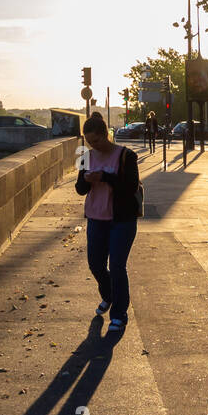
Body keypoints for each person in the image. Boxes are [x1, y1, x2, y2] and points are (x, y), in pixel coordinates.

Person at [75, 111, 140, 333]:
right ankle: (109, 294)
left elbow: (130, 187)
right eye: (89, 142)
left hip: (121, 219)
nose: (94, 145)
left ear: (106, 135)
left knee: (118, 266)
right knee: (95, 264)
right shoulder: (85, 156)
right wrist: (85, 180)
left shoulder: (126, 156)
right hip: (96, 218)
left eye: (97, 140)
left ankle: (119, 314)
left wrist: (105, 177)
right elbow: (79, 190)